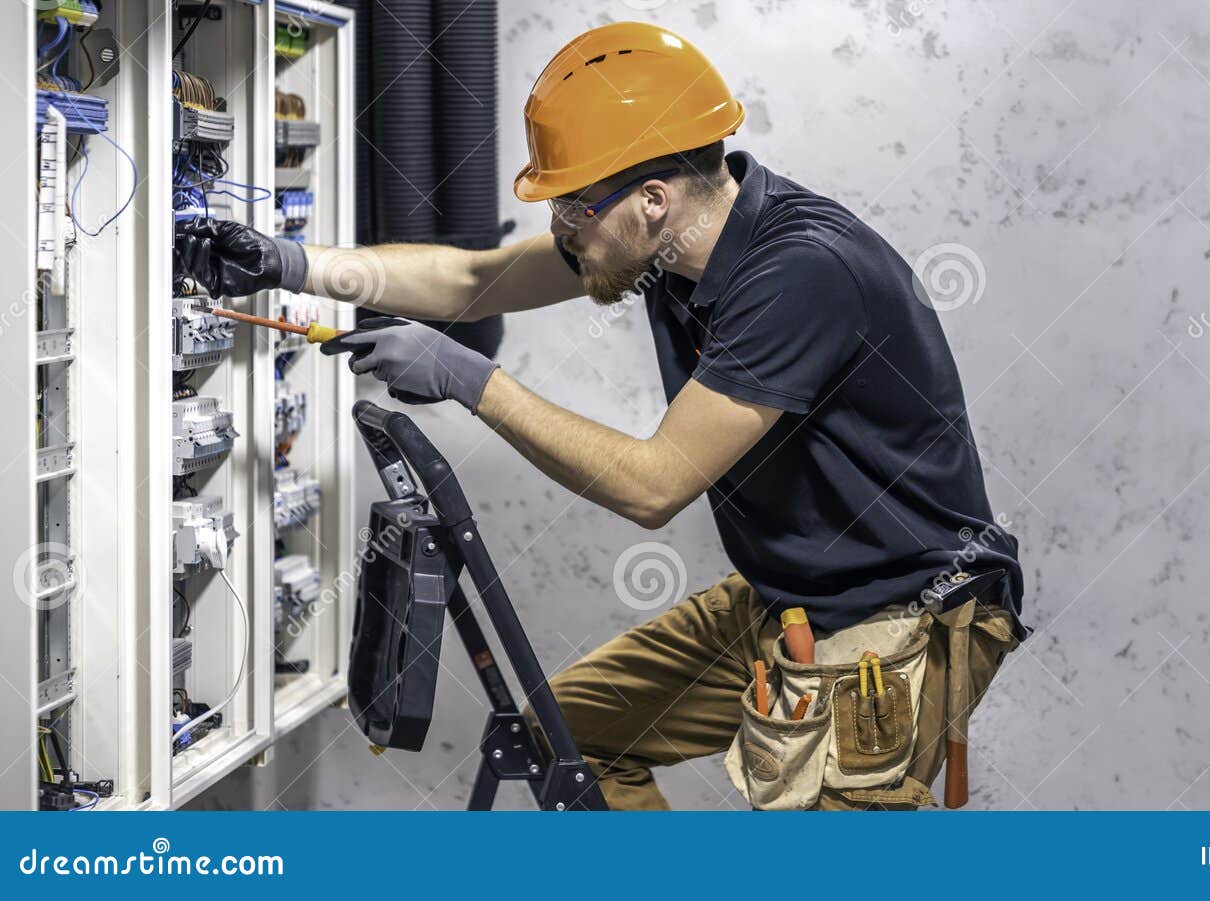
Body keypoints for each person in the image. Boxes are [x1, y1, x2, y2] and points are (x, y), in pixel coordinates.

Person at [174, 21, 1025, 810]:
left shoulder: (799, 274)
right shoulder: (665, 249)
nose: (562, 231)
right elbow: (474, 281)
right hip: (794, 590)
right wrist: (290, 262)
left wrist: (469, 377)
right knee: (568, 731)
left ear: (652, 198)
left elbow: (654, 485)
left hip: (903, 614)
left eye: (573, 210)